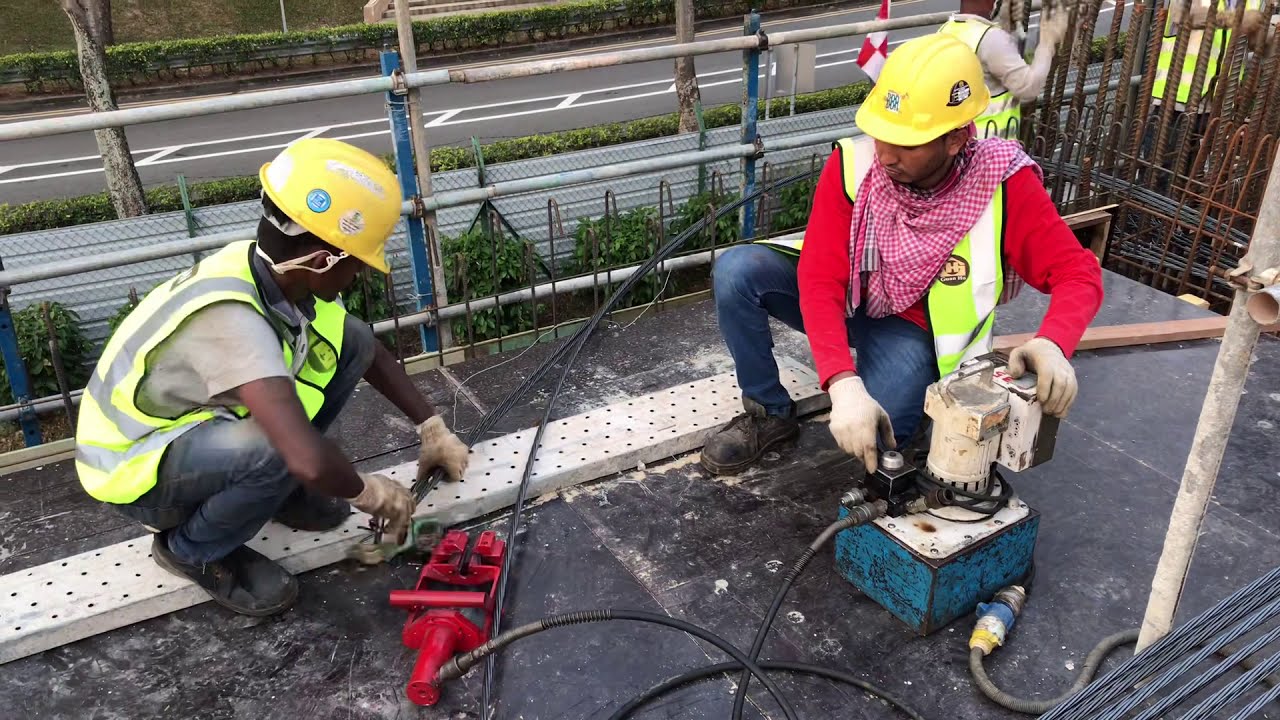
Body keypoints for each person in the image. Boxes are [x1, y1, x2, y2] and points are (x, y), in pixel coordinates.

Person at [74, 138, 470, 617]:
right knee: (283, 452)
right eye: (359, 262)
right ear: (325, 258)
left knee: (350, 346)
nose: (362, 275)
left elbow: (365, 349)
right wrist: (370, 493)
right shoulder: (231, 318)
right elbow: (297, 449)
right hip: (136, 470)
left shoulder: (276, 274)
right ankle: (191, 549)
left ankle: (280, 489)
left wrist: (431, 427)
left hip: (198, 433)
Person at [699, 34, 1104, 477]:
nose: (886, 155)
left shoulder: (1002, 183)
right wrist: (842, 382)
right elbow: (819, 279)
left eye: (907, 143)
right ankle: (769, 414)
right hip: (856, 295)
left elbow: (1077, 272)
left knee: (880, 440)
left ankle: (922, 407)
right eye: (882, 134)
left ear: (954, 139)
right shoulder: (855, 165)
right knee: (738, 270)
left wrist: (1052, 342)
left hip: (910, 330)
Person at [937, 0, 1068, 140]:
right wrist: (1047, 43)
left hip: (961, 145)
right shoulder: (991, 38)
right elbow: (1028, 88)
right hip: (993, 148)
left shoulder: (945, 31)